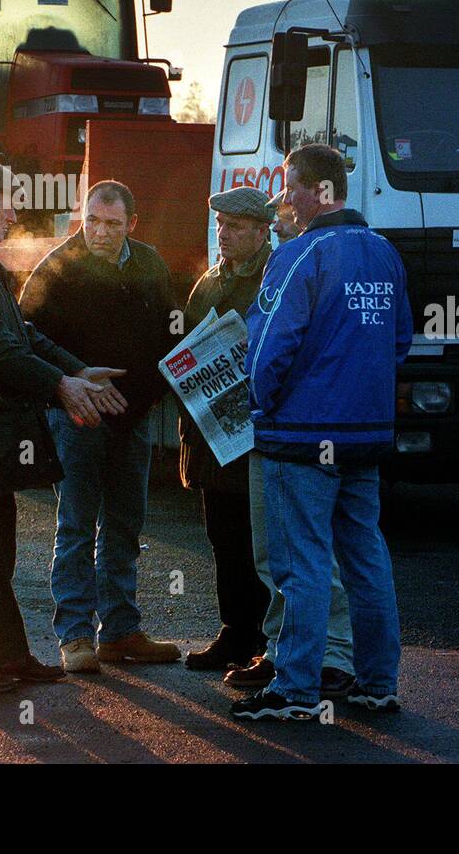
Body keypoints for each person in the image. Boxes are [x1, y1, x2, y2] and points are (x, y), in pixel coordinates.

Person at [0, 161, 127, 694]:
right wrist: (59, 385)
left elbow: (20, 332)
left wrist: (75, 370)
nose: (14, 212)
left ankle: (5, 656)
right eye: (7, 201)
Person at [231, 143, 411, 722]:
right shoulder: (385, 253)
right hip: (365, 433)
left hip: (302, 436)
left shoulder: (297, 255)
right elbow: (400, 340)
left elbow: (267, 349)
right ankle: (378, 683)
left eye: (289, 188)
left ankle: (295, 689)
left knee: (300, 562)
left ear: (316, 191)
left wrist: (259, 404)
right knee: (365, 556)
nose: (284, 200)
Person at [19, 180, 181, 673]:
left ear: (131, 225)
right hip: (77, 417)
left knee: (125, 525)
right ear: (82, 217)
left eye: (112, 224)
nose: (101, 232)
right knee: (75, 524)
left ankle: (120, 630)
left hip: (132, 419)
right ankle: (74, 636)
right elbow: (26, 334)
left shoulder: (151, 264)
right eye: (93, 221)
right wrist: (74, 380)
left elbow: (173, 330)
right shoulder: (58, 267)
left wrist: (149, 398)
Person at [180, 187, 275, 672]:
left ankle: (264, 639)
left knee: (259, 541)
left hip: (255, 434)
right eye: (220, 225)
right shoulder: (210, 281)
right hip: (212, 435)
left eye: (235, 227)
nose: (224, 234)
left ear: (263, 232)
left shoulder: (275, 279)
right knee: (223, 537)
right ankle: (235, 632)